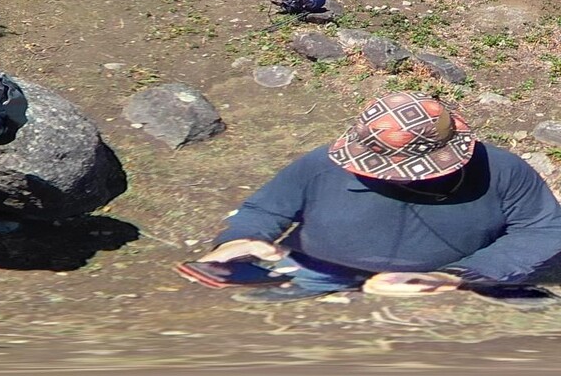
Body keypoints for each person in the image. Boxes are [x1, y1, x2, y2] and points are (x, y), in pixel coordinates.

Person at [195, 91, 561, 306]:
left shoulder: (501, 169)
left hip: (442, 288)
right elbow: (264, 209)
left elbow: (543, 229)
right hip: (316, 275)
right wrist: (240, 241)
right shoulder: (321, 164)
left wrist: (456, 275)